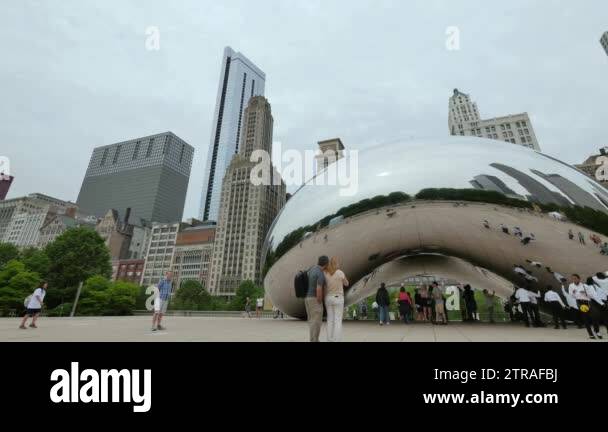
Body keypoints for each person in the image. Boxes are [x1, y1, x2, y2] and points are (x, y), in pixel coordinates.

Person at [323, 256, 349, 342]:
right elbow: (346, 283)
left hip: (328, 298)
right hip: (338, 297)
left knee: (330, 319)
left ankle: (329, 339)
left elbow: (324, 286)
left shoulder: (326, 273)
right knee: (337, 320)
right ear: (336, 264)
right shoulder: (340, 272)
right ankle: (336, 339)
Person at [568, 274, 601, 339]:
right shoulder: (571, 286)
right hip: (580, 303)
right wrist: (573, 293)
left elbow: (591, 295)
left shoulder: (584, 286)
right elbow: (571, 295)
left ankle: (597, 331)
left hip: (588, 302)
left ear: (579, 279)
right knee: (586, 319)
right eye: (573, 279)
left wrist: (585, 293)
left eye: (575, 278)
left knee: (594, 317)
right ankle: (590, 334)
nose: (574, 280)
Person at [305, 256, 328, 342]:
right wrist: (320, 301)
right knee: (316, 323)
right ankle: (315, 340)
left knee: (311, 322)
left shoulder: (312, 269)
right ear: (326, 264)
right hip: (315, 299)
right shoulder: (320, 273)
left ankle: (313, 339)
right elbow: (319, 288)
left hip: (307, 298)